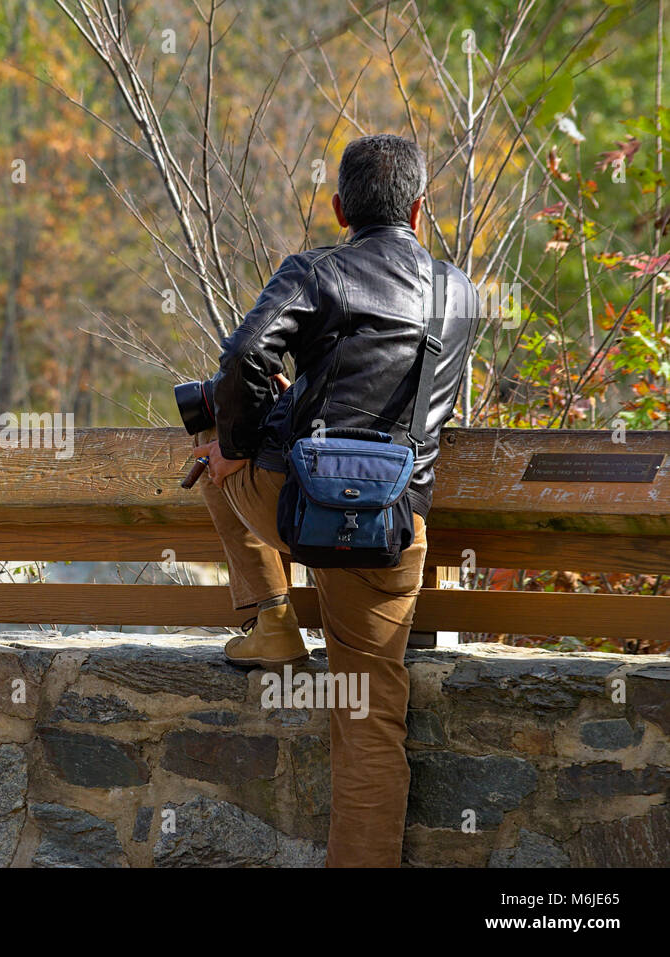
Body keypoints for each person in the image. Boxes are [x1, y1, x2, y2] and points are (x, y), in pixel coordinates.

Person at [192, 133, 479, 867]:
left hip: (298, 507)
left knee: (207, 451)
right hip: (389, 526)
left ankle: (272, 618)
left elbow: (245, 357)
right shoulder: (460, 293)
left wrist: (235, 440)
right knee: (369, 715)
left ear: (339, 208)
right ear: (419, 208)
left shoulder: (316, 272)